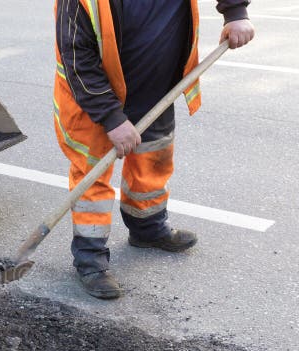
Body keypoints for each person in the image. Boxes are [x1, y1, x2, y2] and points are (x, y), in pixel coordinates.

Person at [54, 0, 255, 299]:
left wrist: (235, 12)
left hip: (156, 90)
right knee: (92, 177)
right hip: (96, 100)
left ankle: (147, 227)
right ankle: (90, 258)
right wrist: (111, 118)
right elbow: (77, 56)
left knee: (152, 160)